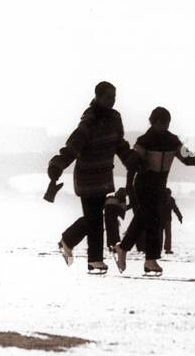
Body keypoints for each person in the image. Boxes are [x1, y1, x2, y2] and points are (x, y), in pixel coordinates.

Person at [47, 81, 134, 275]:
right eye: (108, 97)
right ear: (98, 96)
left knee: (94, 218)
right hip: (87, 176)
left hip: (102, 176)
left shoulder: (114, 119)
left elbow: (120, 144)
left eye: (114, 97)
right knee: (94, 218)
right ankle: (83, 252)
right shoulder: (90, 120)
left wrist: (131, 160)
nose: (112, 101)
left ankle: (85, 253)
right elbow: (73, 146)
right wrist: (58, 164)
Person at [114, 107, 195, 275]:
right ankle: (150, 260)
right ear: (153, 122)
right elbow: (132, 165)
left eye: (167, 123)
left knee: (142, 219)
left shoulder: (173, 140)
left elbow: (186, 156)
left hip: (160, 186)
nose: (164, 127)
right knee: (154, 220)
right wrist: (128, 186)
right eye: (161, 123)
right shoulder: (144, 141)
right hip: (143, 184)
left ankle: (123, 248)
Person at [103, 187, 130, 254]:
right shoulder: (121, 199)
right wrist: (132, 205)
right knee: (115, 232)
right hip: (113, 217)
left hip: (107, 216)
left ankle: (110, 246)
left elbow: (103, 205)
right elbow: (123, 209)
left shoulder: (109, 197)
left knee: (109, 232)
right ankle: (115, 247)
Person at [161, 187, 183, 255]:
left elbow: (175, 209)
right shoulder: (161, 199)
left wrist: (180, 217)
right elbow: (175, 209)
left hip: (167, 220)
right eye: (167, 194)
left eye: (169, 194)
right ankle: (161, 249)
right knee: (161, 235)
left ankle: (167, 249)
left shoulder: (171, 200)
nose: (168, 196)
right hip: (161, 219)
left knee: (168, 235)